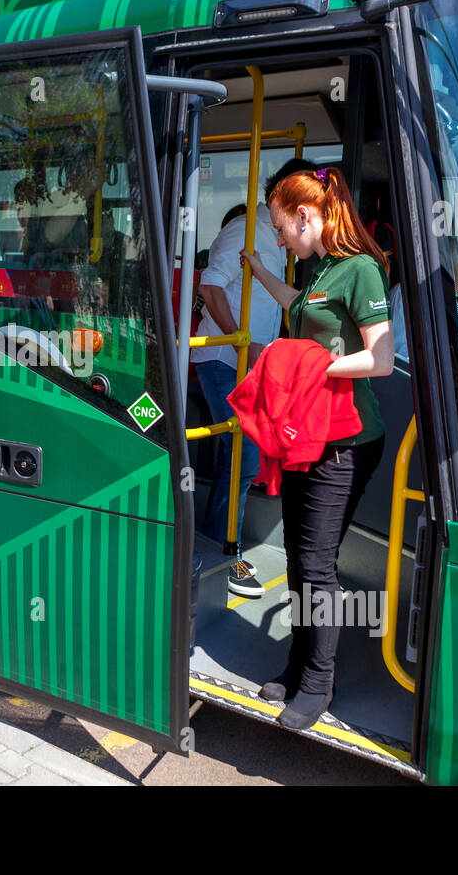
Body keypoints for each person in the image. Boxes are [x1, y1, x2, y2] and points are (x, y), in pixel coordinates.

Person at [239, 165, 394, 731]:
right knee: (302, 562)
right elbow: (300, 309)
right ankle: (299, 661)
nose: (280, 239)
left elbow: (381, 359)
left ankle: (318, 683)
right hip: (308, 434)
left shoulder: (360, 271)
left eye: (281, 229)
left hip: (347, 443)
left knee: (314, 564)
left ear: (307, 216)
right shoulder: (318, 267)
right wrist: (259, 274)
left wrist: (308, 365)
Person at [194, 158, 315, 598]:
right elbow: (210, 287)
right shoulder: (245, 230)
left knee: (241, 457)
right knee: (242, 457)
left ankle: (214, 543)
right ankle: (225, 549)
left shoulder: (272, 237)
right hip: (224, 360)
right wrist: (242, 344)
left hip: (245, 363)